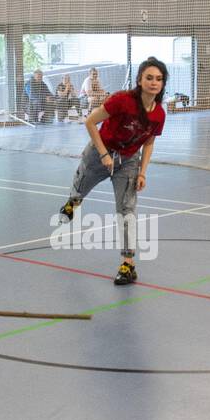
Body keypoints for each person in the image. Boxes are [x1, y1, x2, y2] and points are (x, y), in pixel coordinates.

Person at [56, 57, 167, 285]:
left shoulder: (159, 115)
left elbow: (149, 143)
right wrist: (104, 154)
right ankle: (73, 202)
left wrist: (142, 172)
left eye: (159, 79)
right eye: (149, 78)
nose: (154, 82)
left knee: (127, 210)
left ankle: (128, 265)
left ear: (163, 84)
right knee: (79, 191)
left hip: (127, 162)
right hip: (99, 154)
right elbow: (90, 122)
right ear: (139, 80)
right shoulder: (122, 100)